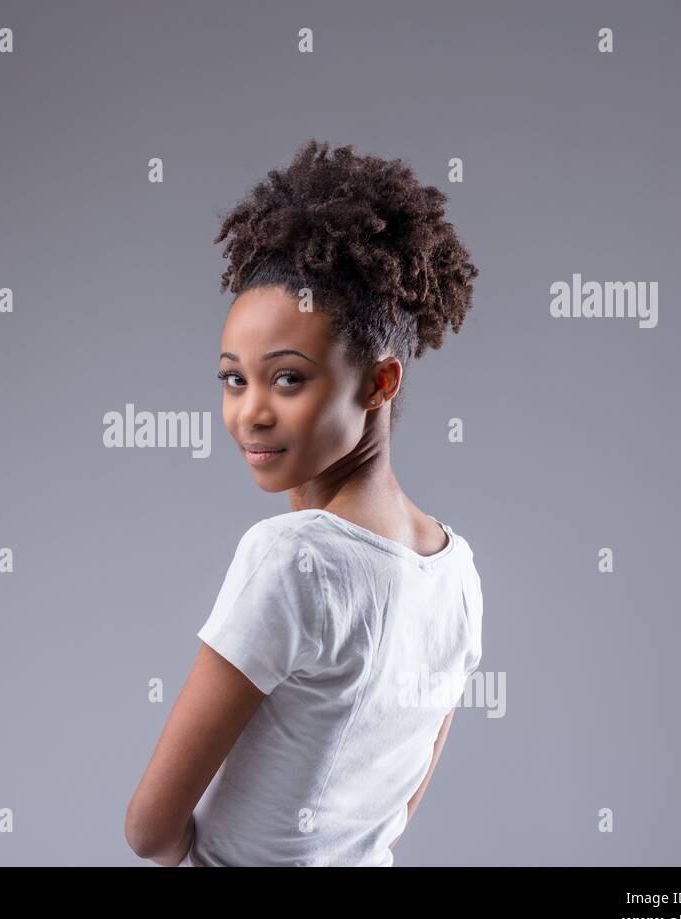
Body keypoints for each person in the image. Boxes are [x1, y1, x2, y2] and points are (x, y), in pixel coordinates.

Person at [125, 139, 484, 866]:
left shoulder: (292, 558)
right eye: (234, 379)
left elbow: (149, 828)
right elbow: (398, 807)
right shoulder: (458, 572)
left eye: (287, 379)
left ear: (381, 384)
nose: (251, 412)